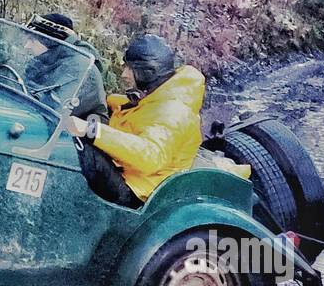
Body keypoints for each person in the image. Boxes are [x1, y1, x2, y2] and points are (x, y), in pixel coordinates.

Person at [66, 34, 205, 208]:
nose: (124, 74)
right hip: (124, 171)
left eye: (129, 69)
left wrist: (93, 130)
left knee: (73, 151)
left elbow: (150, 155)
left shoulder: (175, 113)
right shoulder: (158, 96)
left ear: (147, 72)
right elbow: (131, 108)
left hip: (136, 191)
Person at [24, 13, 108, 118]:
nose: (26, 46)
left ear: (50, 41)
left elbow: (54, 110)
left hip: (69, 131)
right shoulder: (46, 61)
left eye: (32, 40)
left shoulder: (80, 67)